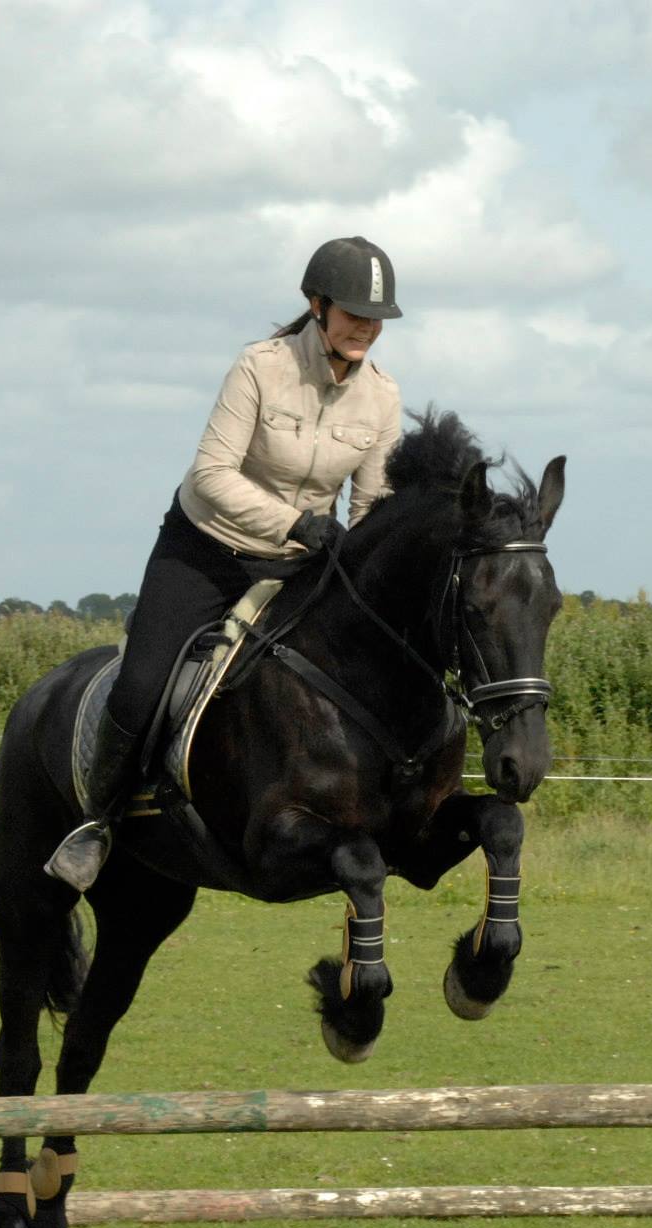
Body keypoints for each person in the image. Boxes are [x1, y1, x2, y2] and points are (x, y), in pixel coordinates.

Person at [44, 236, 405, 891]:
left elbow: (372, 509)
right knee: (141, 682)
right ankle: (98, 824)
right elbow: (212, 474)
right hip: (206, 552)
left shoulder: (382, 399)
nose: (366, 327)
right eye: (354, 312)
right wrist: (295, 523)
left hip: (299, 569)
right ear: (317, 305)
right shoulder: (259, 369)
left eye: (376, 317)